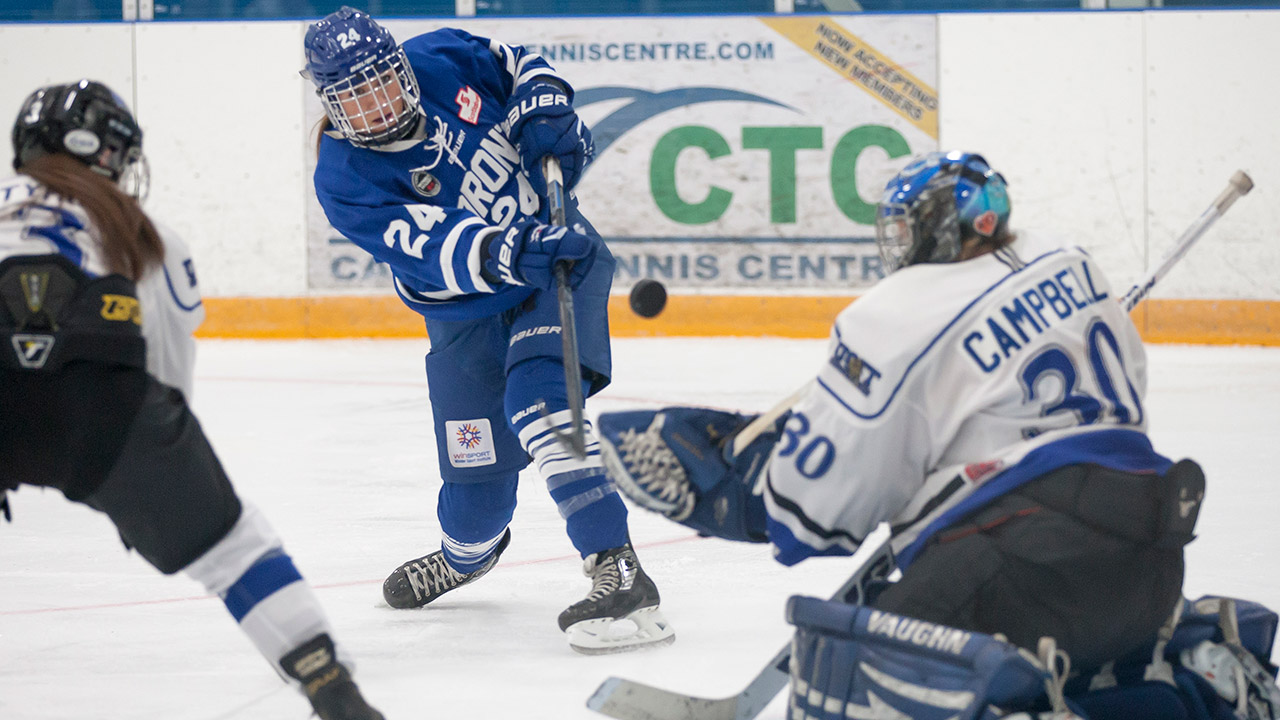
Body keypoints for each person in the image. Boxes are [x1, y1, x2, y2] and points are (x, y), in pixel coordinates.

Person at [597, 151, 1206, 672]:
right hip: (1151, 553)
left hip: (1021, 570)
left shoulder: (890, 315)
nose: (898, 245)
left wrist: (748, 491)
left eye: (908, 227)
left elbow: (821, 515)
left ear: (946, 226)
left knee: (847, 670)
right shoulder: (1071, 263)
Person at [0, 79, 384, 720]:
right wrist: (156, 476)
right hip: (100, 408)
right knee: (235, 548)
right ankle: (331, 687)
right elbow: (168, 377)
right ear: (105, 154)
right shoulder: (144, 233)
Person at [300, 6, 672, 654]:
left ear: (400, 66)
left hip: (558, 264)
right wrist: (507, 246)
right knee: (477, 507)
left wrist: (544, 105)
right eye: (354, 99)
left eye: (382, 83)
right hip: (463, 317)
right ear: (330, 103)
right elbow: (433, 244)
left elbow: (515, 61)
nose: (378, 106)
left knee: (539, 406)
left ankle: (618, 567)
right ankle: (467, 557)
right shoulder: (343, 178)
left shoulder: (440, 57)